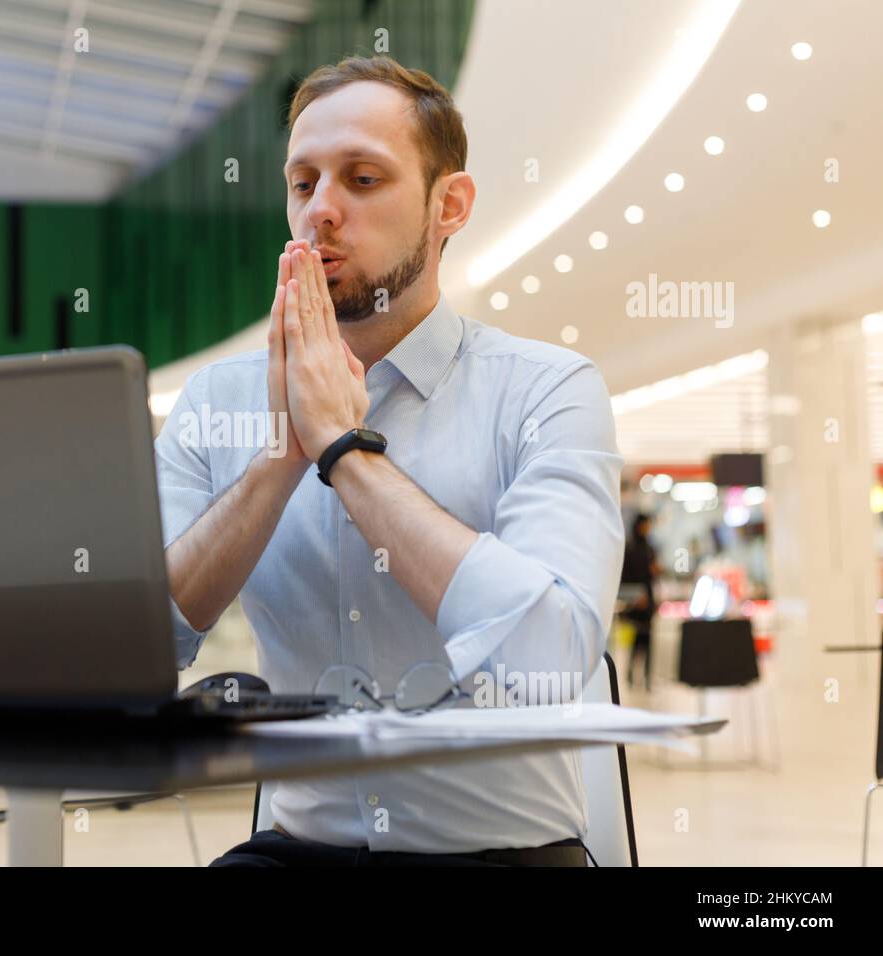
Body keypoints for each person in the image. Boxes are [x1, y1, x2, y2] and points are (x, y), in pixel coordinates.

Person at [154, 56, 624, 867]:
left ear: (451, 205)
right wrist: (281, 457)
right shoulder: (215, 401)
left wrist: (345, 451)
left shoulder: (549, 392)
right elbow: (140, 644)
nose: (321, 212)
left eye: (363, 179)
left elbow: (551, 654)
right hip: (297, 849)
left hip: (503, 856)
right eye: (303, 184)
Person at [620, 513, 659, 691]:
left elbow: (651, 572)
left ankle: (647, 678)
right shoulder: (631, 548)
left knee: (648, 640)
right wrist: (635, 596)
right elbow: (627, 576)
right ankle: (632, 674)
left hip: (649, 598)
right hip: (637, 600)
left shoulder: (649, 547)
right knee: (638, 639)